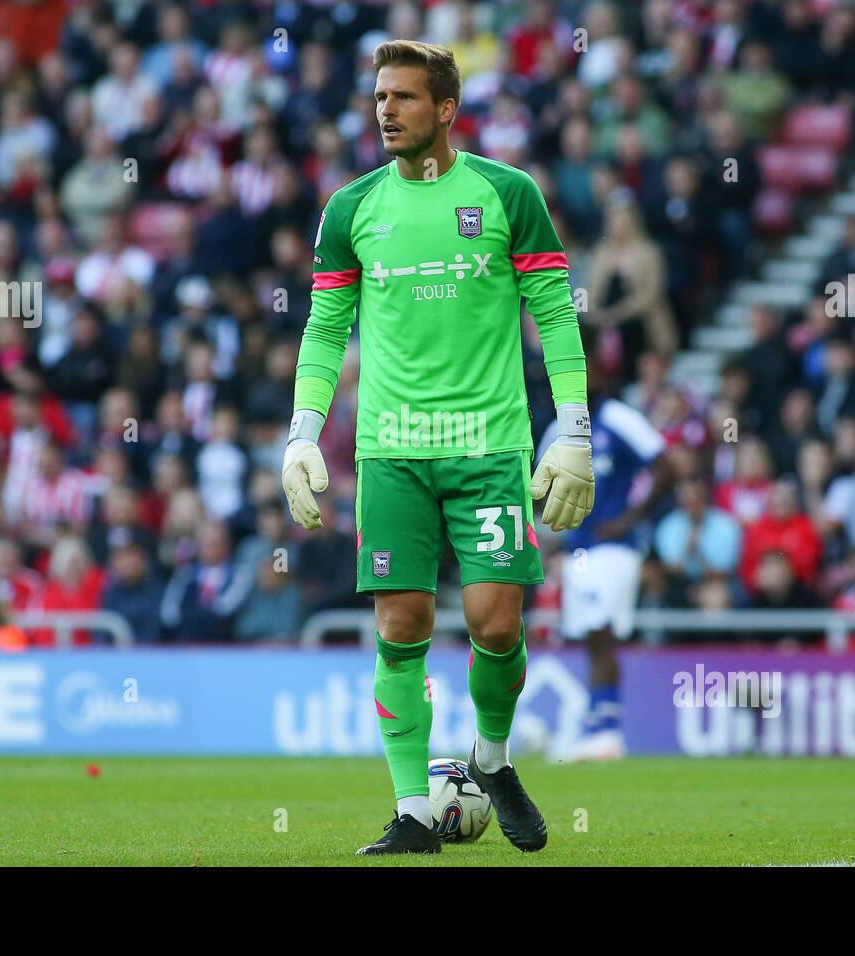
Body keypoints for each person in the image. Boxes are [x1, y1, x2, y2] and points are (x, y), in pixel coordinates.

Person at [280, 41, 593, 856]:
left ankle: (491, 757)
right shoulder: (351, 208)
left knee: (494, 626)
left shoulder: (507, 194)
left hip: (489, 445)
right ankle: (415, 811)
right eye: (380, 97)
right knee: (401, 623)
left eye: (405, 98)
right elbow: (324, 328)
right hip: (391, 452)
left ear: (446, 109)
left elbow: (555, 313)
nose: (386, 110)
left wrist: (574, 428)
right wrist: (303, 433)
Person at [541, 359, 664, 761]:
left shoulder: (618, 418)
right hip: (580, 548)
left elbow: (668, 466)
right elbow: (537, 485)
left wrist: (628, 518)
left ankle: (608, 731)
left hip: (614, 547)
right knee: (590, 636)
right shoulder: (559, 428)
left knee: (601, 631)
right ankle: (598, 725)